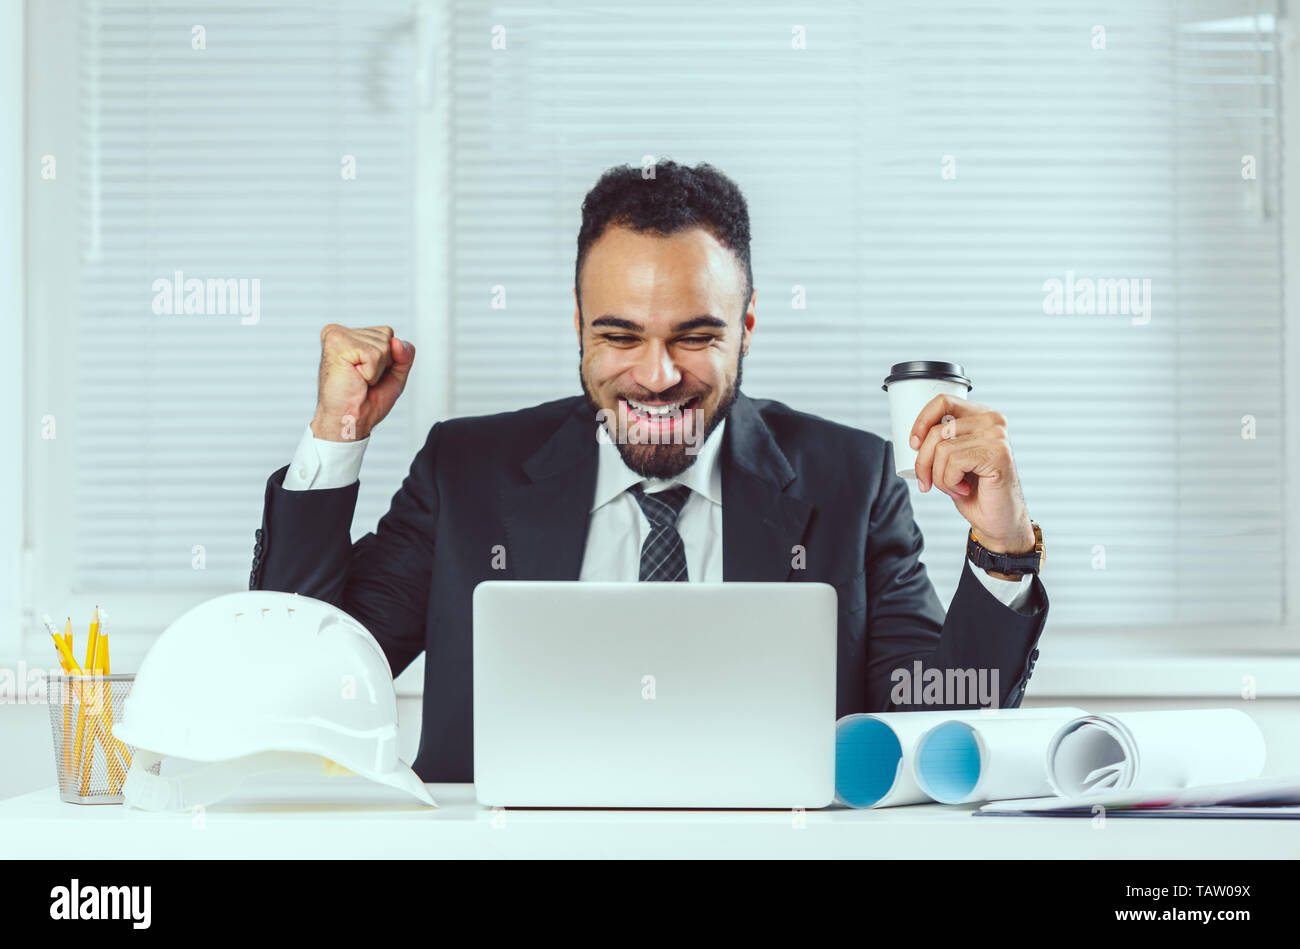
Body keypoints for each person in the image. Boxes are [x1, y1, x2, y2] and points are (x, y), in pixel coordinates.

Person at [250, 160, 1049, 783]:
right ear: (577, 326)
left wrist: (1003, 546)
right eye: (621, 336)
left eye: (696, 335)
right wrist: (337, 430)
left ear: (748, 325)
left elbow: (940, 715)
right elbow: (304, 681)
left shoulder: (851, 480)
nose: (658, 375)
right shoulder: (468, 474)